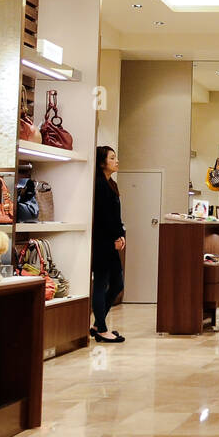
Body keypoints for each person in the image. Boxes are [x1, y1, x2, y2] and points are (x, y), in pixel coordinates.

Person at [91, 145, 126, 342]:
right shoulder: (99, 185)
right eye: (112, 158)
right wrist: (116, 237)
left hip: (112, 240)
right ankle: (102, 328)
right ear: (102, 162)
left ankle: (98, 323)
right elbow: (103, 217)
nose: (116, 161)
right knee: (102, 283)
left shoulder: (111, 184)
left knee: (117, 283)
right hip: (102, 243)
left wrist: (121, 235)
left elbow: (115, 217)